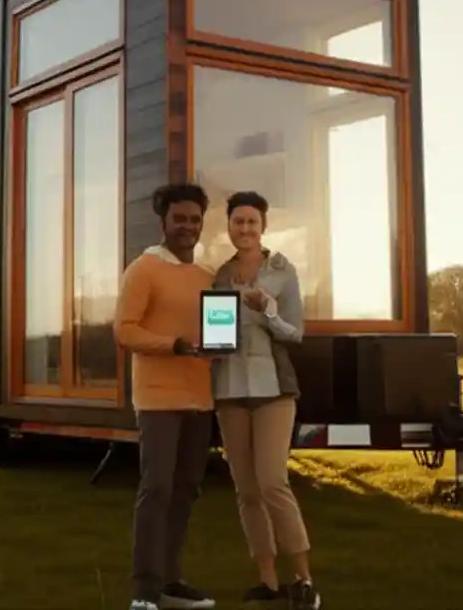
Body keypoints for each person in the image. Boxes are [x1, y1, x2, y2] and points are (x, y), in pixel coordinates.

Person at [211, 191, 322, 610]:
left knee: (273, 483)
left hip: (274, 390)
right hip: (229, 390)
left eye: (252, 222)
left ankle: (304, 580)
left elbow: (296, 333)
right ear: (229, 226)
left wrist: (269, 309)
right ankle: (267, 581)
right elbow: (216, 332)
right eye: (238, 222)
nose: (245, 229)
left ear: (263, 227)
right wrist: (209, 343)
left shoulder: (282, 270)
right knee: (247, 490)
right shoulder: (220, 276)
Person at [114, 182, 218, 610]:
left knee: (186, 490)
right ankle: (145, 591)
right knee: (156, 489)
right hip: (158, 399)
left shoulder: (208, 276)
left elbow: (216, 331)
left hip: (200, 398)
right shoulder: (144, 269)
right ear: (164, 221)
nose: (188, 226)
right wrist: (172, 345)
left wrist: (220, 344)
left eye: (195, 219)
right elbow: (125, 330)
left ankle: (171, 583)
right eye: (180, 219)